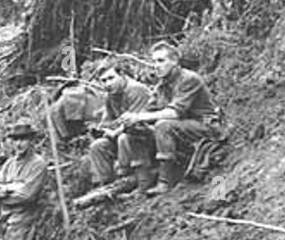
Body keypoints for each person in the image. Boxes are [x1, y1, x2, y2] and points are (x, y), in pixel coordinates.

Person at [120, 42, 222, 195]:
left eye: (161, 61)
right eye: (154, 61)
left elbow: (175, 113)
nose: (156, 65)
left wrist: (139, 117)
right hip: (180, 128)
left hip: (205, 127)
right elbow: (149, 110)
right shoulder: (162, 85)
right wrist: (134, 121)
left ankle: (165, 182)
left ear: (175, 61)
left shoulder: (189, 79)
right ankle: (143, 183)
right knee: (134, 129)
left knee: (163, 125)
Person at [86, 59, 153, 188]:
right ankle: (104, 185)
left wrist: (114, 131)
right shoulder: (111, 96)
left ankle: (126, 177)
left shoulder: (136, 90)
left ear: (122, 75)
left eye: (111, 78)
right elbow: (107, 121)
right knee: (98, 146)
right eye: (104, 80)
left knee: (125, 138)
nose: (108, 84)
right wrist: (100, 129)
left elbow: (136, 123)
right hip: (122, 136)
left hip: (146, 137)